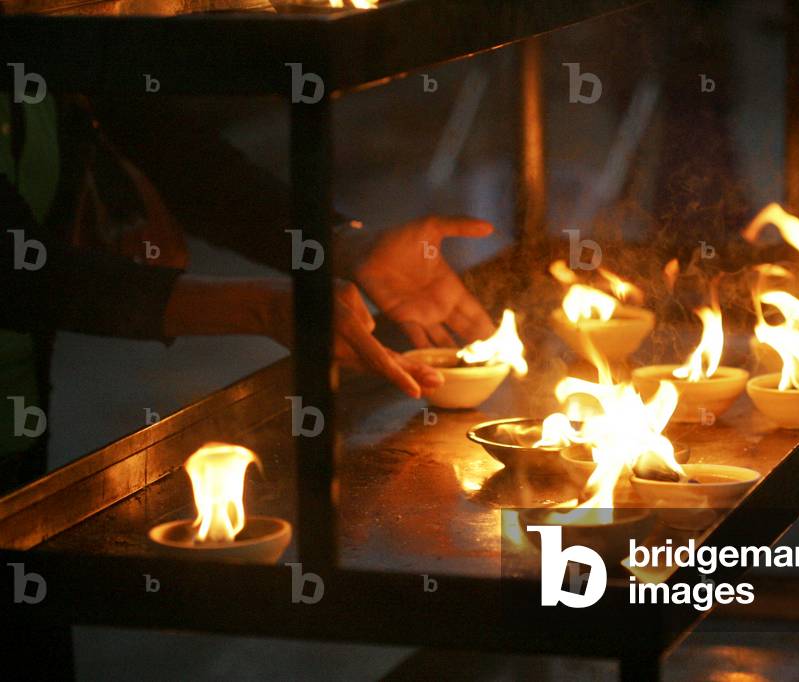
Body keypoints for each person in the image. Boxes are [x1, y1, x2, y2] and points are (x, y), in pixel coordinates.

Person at [0, 93, 495, 487]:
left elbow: (191, 165)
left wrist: (347, 244)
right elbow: (21, 273)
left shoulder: (56, 36)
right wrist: (264, 308)